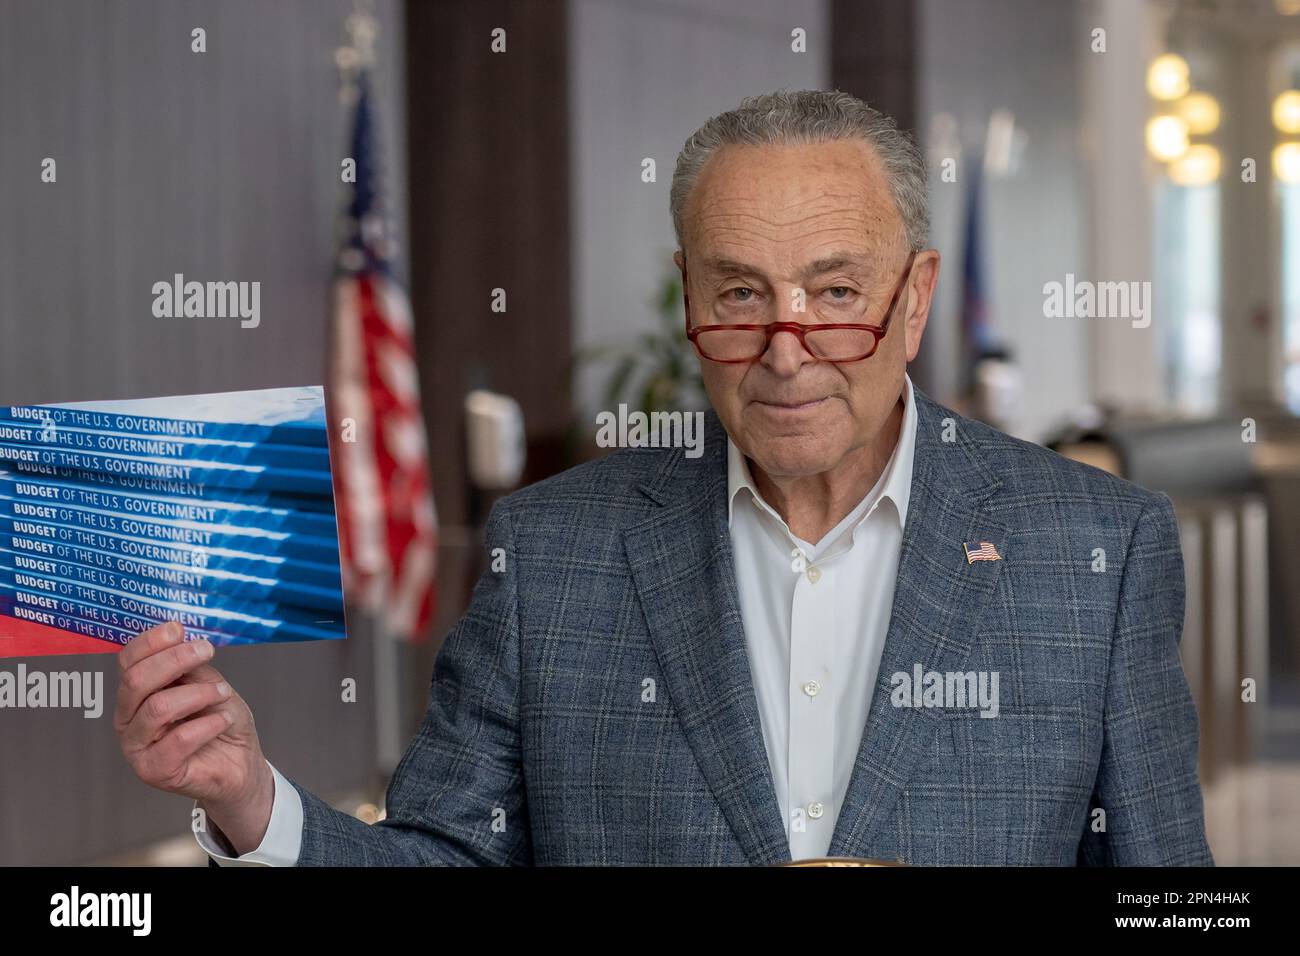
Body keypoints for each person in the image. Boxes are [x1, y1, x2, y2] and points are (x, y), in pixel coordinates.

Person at [115, 89, 1212, 866]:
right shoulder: (551, 553)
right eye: (739, 295)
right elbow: (446, 856)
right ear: (690, 294)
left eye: (834, 293)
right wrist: (253, 801)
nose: (785, 350)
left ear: (915, 298)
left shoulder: (1096, 552)